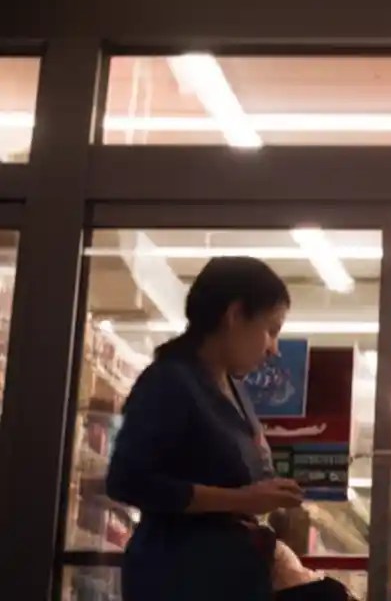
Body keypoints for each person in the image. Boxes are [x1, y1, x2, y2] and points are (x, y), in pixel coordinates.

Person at [107, 256, 304, 601]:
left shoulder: (234, 389)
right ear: (235, 315)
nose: (274, 349)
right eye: (271, 330)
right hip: (178, 578)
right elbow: (127, 481)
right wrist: (242, 499)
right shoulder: (169, 382)